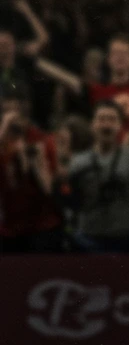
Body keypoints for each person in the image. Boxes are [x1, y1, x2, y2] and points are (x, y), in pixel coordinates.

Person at [63, 101, 129, 253]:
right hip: (87, 236)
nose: (106, 125)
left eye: (112, 119)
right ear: (92, 124)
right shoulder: (78, 162)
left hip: (124, 236)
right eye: (101, 119)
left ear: (120, 125)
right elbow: (70, 201)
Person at [0, 88, 61, 251]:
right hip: (10, 228)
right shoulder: (3, 141)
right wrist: (4, 132)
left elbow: (49, 188)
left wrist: (34, 161)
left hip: (42, 226)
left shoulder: (42, 140)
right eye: (7, 112)